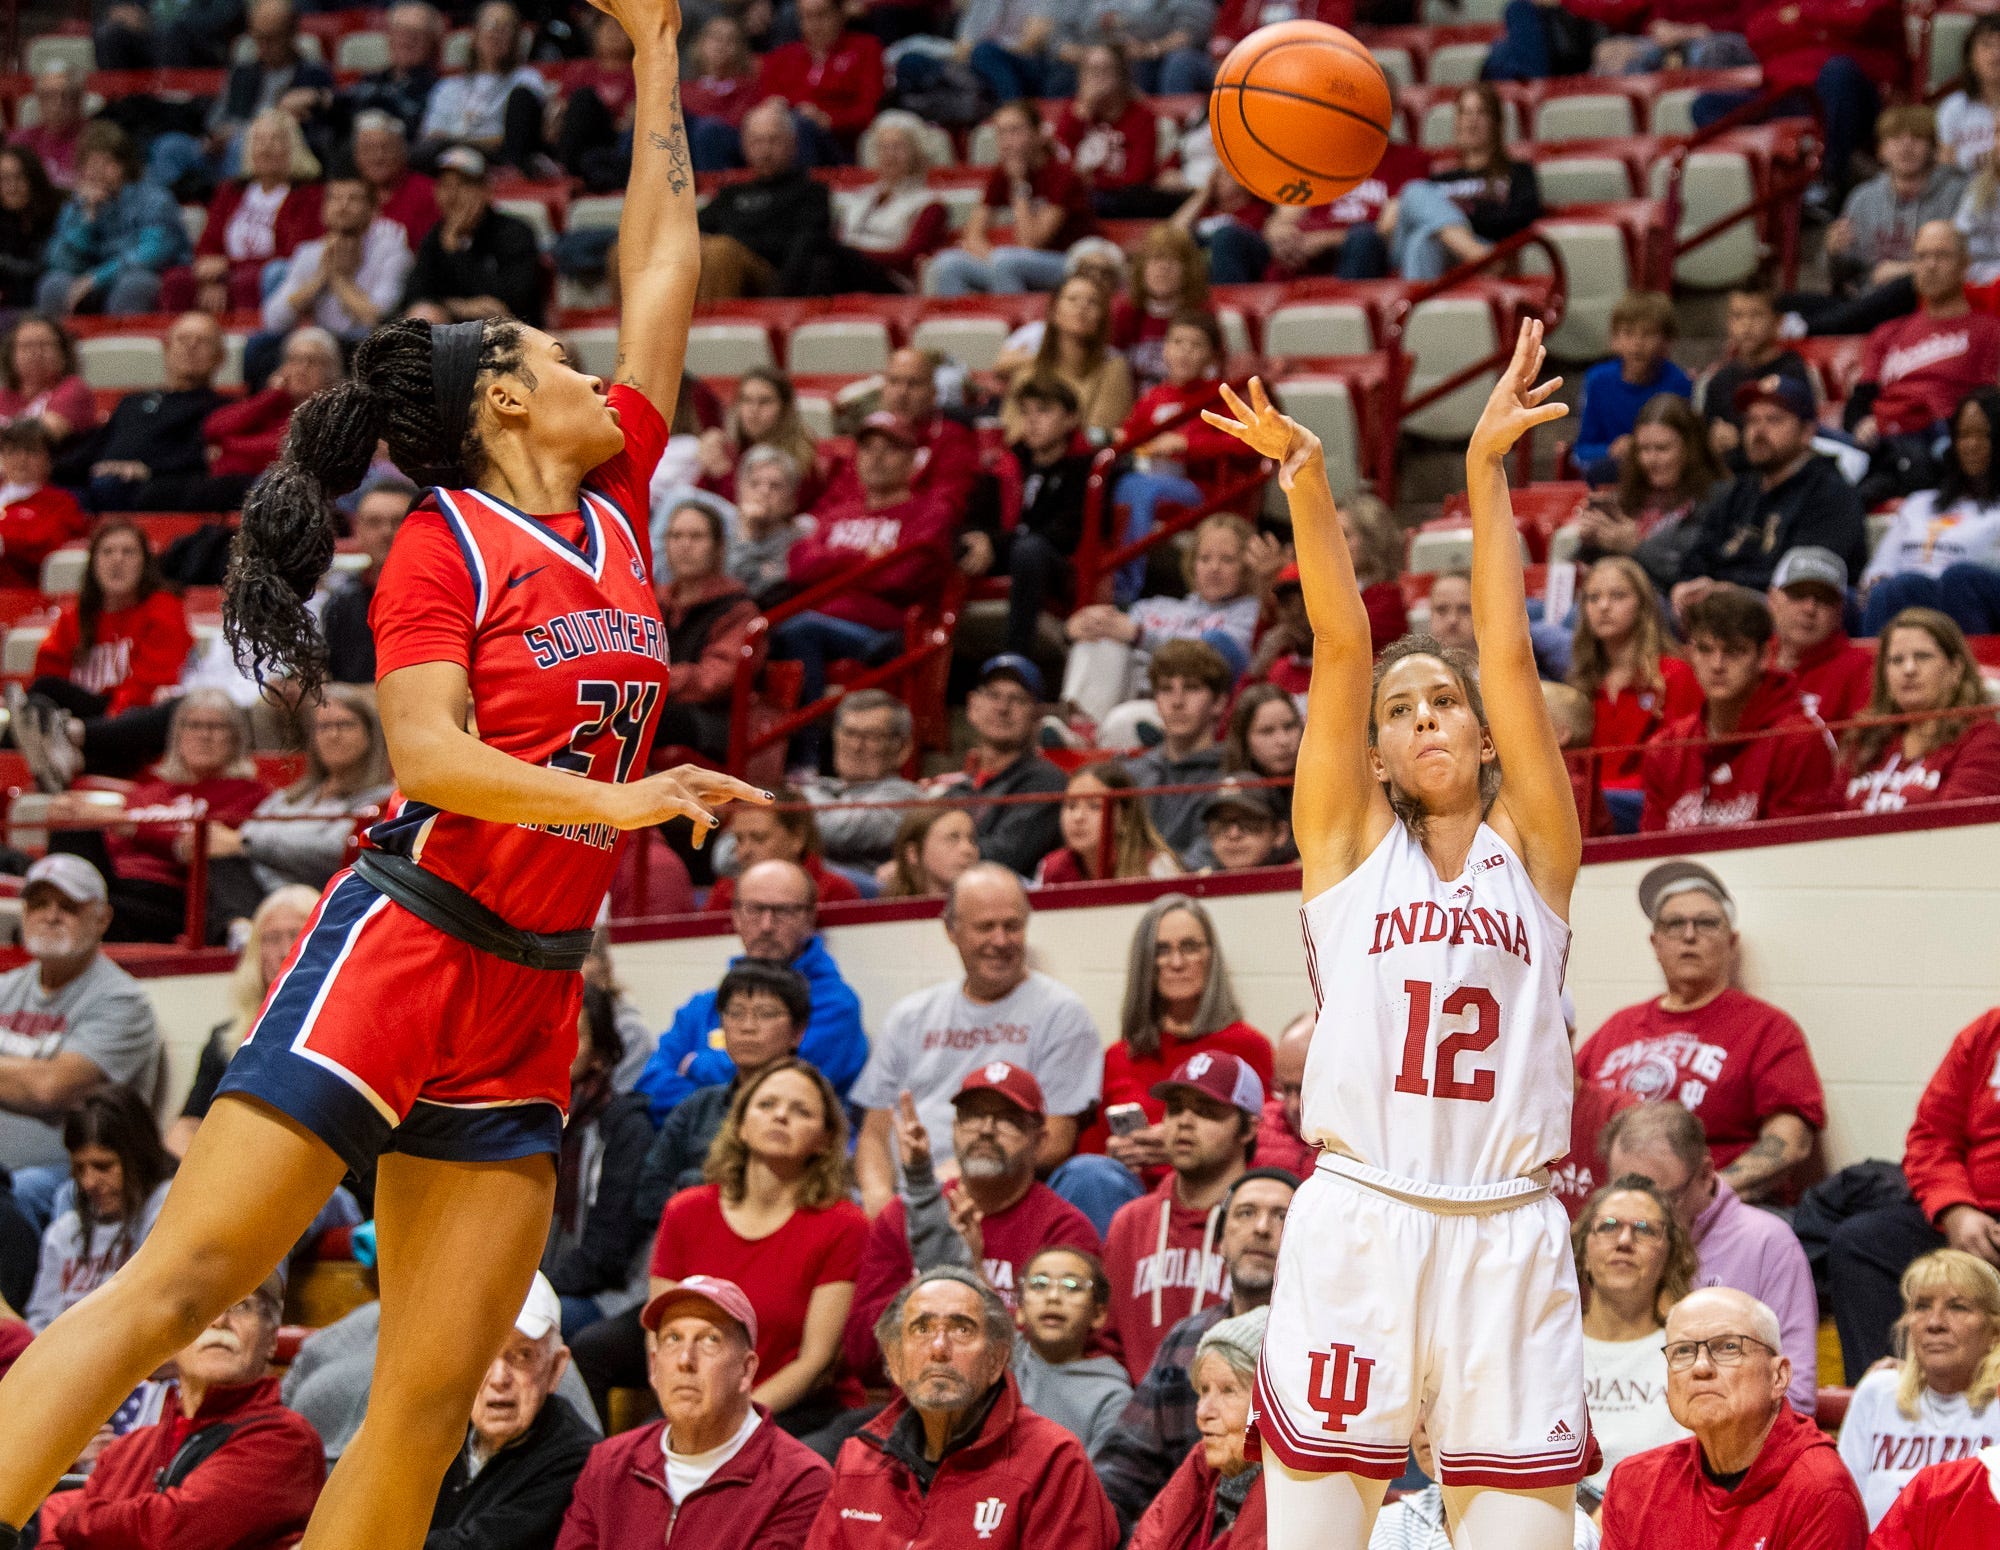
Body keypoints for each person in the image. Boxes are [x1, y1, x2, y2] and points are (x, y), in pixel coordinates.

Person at [0, 4, 770, 1545]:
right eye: (557, 356)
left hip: (533, 986)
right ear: (502, 396)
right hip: (405, 939)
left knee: (428, 1390)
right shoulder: (443, 545)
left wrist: (660, 50)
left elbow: (664, 270)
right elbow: (431, 754)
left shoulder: (613, 482)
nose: (590, 367)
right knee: (184, 1287)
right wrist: (625, 801)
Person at [1200, 330, 1590, 1546]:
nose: (1427, 715)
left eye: (1446, 705)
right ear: (1370, 755)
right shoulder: (1343, 848)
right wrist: (1308, 487)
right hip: (1361, 1215)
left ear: (1481, 738)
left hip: (1508, 1224)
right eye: (1403, 710)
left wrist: (1483, 475)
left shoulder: (1535, 854)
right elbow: (1338, 646)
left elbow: (1513, 654)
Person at [808, 1265, 1120, 1549]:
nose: (939, 1348)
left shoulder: (1054, 1460)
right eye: (922, 1329)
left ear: (996, 1360)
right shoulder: (858, 1457)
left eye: (961, 1329)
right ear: (894, 1360)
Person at [852, 867, 1102, 1220]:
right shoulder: (909, 1015)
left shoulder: (1062, 1015)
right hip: (905, 1201)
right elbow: (875, 1133)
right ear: (951, 930)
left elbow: (1055, 1141)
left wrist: (943, 1185)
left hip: (994, 1200)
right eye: (985, 927)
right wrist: (878, 1199)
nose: (1000, 941)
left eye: (1012, 926)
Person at [1576, 860, 1826, 1206]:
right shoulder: (1616, 1027)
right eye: (1674, 924)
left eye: (1707, 923)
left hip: (1717, 1209)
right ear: (1655, 942)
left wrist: (1706, 1194)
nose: (1689, 935)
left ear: (1731, 941)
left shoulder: (1768, 1029)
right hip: (1613, 1210)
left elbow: (1791, 1141)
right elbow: (1562, 1110)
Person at [642, 1058, 866, 1434]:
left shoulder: (844, 1224)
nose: (780, 1116)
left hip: (801, 1409)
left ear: (825, 1140)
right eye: (766, 1105)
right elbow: (659, 1334)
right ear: (741, 1125)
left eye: (801, 1111)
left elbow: (815, 1361)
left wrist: (734, 1421)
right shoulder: (685, 1211)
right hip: (699, 1403)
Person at [34, 1270, 325, 1550]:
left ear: (271, 1339)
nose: (220, 1320)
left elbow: (170, 1533)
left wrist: (71, 1515)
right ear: (174, 1340)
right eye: (203, 1307)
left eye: (242, 1306)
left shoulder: (287, 1442)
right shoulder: (124, 1454)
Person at [845, 1062, 1101, 1378]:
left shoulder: (1065, 1230)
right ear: (954, 1129)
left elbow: (1051, 1360)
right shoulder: (903, 1214)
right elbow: (859, 1352)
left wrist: (973, 1275)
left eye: (1007, 1119)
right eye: (973, 1115)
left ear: (1041, 1141)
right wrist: (929, 1285)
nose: (985, 1129)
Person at [554, 1276, 831, 1549]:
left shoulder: (800, 1481)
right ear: (653, 1366)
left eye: (710, 1340)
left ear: (746, 1369)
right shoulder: (609, 1464)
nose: (685, 1360)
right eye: (673, 1339)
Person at [1093, 1169, 1296, 1531]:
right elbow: (1129, 1462)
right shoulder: (1187, 1338)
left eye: (1283, 1216)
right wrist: (1090, 1523)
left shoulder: (1324, 1346)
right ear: (1220, 1242)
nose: (1262, 1228)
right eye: (1245, 1213)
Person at [1595, 1288, 1866, 1550]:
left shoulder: (1820, 1493)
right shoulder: (1635, 1483)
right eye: (1683, 1351)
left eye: (1727, 1347)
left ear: (1779, 1376)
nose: (1701, 1367)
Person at [1602, 1102, 1820, 1414]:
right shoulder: (1606, 1244)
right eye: (1626, 1195)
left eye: (1662, 1199)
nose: (1642, 1215)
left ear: (1705, 1174)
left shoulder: (1767, 1243)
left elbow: (1796, 1396)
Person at [1827, 1008, 2000, 1379]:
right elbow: (1931, 1136)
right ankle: (1886, 1401)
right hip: (1972, 1217)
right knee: (1861, 1243)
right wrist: (1955, 1209)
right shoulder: (1988, 1032)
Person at [636, 858, 868, 1119]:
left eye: (783, 911)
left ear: (809, 917)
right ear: (735, 915)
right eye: (754, 909)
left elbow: (781, 1090)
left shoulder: (836, 1006)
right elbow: (650, 1084)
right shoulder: (701, 1006)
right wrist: (710, 1103)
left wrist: (697, 1064)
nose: (767, 925)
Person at [44, 692, 271, 944]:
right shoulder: (150, 788)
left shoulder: (251, 794)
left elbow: (201, 845)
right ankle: (53, 908)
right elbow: (116, 845)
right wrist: (78, 814)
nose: (204, 735)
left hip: (177, 896)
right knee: (71, 824)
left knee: (95, 914)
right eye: (193, 725)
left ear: (236, 738)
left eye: (216, 726)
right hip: (117, 883)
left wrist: (130, 826)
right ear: (177, 735)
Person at [0, 856, 160, 1200]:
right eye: (38, 903)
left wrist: (35, 1078)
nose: (51, 915)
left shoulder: (122, 1001)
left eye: (68, 906)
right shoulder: (6, 988)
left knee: (19, 1193)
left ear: (102, 918)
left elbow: (51, 1088)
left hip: (69, 1179)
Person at [773, 412, 953, 714]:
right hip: (822, 622)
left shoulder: (930, 512)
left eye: (890, 449)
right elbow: (799, 566)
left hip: (885, 632)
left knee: (798, 630)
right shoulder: (838, 513)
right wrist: (861, 558)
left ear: (914, 461)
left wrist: (830, 570)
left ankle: (806, 752)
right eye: (868, 449)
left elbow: (900, 577)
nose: (876, 458)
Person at [1075, 896, 1271, 1171]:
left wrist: (1181, 1148)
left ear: (1211, 957)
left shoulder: (1248, 1046)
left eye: (1189, 947)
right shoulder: (1120, 1056)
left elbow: (1271, 1145)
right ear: (1146, 962)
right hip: (1133, 1197)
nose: (1176, 962)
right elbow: (1090, 1155)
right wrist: (1115, 1157)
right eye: (1162, 950)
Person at [1101, 1051, 1261, 1381]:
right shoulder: (1130, 1223)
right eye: (1175, 1109)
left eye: (1206, 1111)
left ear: (1248, 1128)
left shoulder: (1265, 1226)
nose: (1184, 1122)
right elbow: (1107, 1344)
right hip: (1143, 1417)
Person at [633, 961, 810, 1243]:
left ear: (797, 1031)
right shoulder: (697, 1107)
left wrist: (692, 1187)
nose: (747, 1027)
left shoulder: (810, 1111)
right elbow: (649, 1193)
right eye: (736, 1013)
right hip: (691, 1247)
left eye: (765, 1014)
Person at [1638, 587, 1839, 831]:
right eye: (1705, 649)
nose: (1717, 665)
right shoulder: (1667, 748)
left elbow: (1797, 853)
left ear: (1764, 656)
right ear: (1689, 654)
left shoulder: (1798, 741)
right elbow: (1653, 853)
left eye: (1733, 651)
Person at [425, 1273, 595, 1550]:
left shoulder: (576, 1462)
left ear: (556, 1368)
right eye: (483, 1354)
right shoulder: (438, 1431)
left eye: (522, 1355)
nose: (498, 1378)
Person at [1671, 375, 1868, 610]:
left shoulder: (1832, 493)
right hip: (1718, 607)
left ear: (1807, 432)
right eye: (1752, 420)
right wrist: (1685, 586)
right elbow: (1697, 557)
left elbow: (1806, 579)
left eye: (1774, 420)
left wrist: (1732, 592)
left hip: (1787, 612)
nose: (1758, 431)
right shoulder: (1738, 490)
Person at [205, 688, 392, 934]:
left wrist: (246, 843)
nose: (333, 735)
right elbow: (251, 829)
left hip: (322, 897)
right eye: (323, 727)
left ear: (371, 734)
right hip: (264, 891)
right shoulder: (294, 794)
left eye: (345, 725)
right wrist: (246, 843)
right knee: (220, 857)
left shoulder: (382, 798)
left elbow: (339, 848)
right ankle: (240, 930)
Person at [1836, 1249, 2000, 1527]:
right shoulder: (1877, 1393)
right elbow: (1843, 1513)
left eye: (1957, 1307)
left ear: (1994, 1330)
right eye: (1922, 1306)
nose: (1934, 1323)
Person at [1847, 222, 2000, 504]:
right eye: (1921, 256)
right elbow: (1861, 399)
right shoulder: (1887, 333)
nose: (1930, 265)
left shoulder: (1990, 332)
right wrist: (1860, 424)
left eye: (1941, 256)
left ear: (1964, 265)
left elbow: (1992, 407)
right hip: (1883, 442)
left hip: (1943, 444)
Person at [1064, 515, 1260, 733]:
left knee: (1124, 720)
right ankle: (1081, 729)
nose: (1214, 568)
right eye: (1204, 559)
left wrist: (1141, 637)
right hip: (1125, 697)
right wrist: (1079, 625)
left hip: (1183, 714)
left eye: (1227, 560)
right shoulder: (1157, 607)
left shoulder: (1250, 614)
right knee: (1103, 638)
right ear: (1192, 564)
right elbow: (1110, 628)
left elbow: (1210, 656)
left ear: (1246, 567)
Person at [171, 885, 321, 1158]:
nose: (284, 950)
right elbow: (186, 1125)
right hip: (232, 1173)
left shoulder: (349, 1035)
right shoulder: (226, 1038)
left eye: (297, 935)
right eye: (271, 938)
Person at [1790, 105, 1964, 339]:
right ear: (1881, 150)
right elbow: (1838, 277)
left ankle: (1810, 329)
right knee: (1782, 304)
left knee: (1903, 287)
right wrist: (1834, 252)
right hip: (1865, 301)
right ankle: (1799, 326)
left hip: (1921, 298)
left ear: (1933, 148)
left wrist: (1904, 270)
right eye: (1895, 138)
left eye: (1917, 138)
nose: (1906, 146)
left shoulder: (1957, 193)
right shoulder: (1863, 197)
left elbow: (1967, 260)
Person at [1572, 1176, 1696, 1504]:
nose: (1625, 1240)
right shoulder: (1545, 1349)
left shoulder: (1691, 1356)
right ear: (1583, 1250)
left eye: (1644, 1229)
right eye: (1608, 1226)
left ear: (1671, 1256)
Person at [25, 1085, 173, 1331]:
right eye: (79, 1168)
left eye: (103, 1166)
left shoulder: (167, 1209)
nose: (88, 1183)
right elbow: (39, 1322)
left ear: (139, 1156)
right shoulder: (64, 1233)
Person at [1567, 557, 1699, 831]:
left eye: (1617, 596)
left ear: (1642, 605)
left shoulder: (1674, 674)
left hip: (1652, 800)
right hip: (1594, 803)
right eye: (1593, 598)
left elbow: (1684, 761)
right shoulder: (1581, 685)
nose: (1603, 606)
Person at [1861, 390, 2000, 636]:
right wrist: (1876, 580)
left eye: (1984, 435)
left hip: (1973, 599)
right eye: (1963, 435)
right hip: (1907, 598)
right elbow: (1879, 570)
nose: (1971, 445)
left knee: (1958, 578)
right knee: (1882, 591)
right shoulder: (1919, 503)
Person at [1130, 1307, 1269, 1550]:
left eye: (1228, 1391)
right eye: (1203, 1390)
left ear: (1272, 1404)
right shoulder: (1198, 1473)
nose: (1204, 1412)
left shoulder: (1292, 1511)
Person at [924, 102, 1097, 297]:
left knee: (1006, 262)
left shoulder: (1063, 175)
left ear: (1038, 134)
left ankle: (1016, 323)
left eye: (1015, 131)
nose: (1007, 142)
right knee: (948, 264)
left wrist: (1019, 184)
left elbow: (1031, 243)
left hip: (1069, 262)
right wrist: (988, 255)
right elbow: (972, 234)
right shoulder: (1002, 173)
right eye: (1001, 133)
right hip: (1018, 262)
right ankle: (970, 325)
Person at [164, 110, 324, 318]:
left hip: (269, 275)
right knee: (176, 280)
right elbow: (208, 244)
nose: (265, 148)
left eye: (275, 140)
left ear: (293, 148)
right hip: (227, 273)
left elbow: (295, 253)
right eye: (258, 140)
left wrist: (226, 267)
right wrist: (211, 279)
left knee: (249, 280)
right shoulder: (229, 191)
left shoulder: (309, 195)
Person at [1841, 608, 2000, 812]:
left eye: (1922, 657)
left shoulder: (1982, 739)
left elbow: (1961, 827)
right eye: (1896, 660)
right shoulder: (1865, 739)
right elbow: (1828, 816)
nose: (1909, 669)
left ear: (1955, 669)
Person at [925, 655, 1067, 878]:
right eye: (993, 695)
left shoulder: (1046, 782)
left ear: (1037, 716)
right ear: (972, 705)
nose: (1002, 708)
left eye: (1018, 699)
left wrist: (930, 859)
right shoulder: (959, 790)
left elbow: (1006, 855)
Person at [78, 312, 230, 514]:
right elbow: (97, 445)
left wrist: (146, 469)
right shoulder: (131, 401)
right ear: (166, 349)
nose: (191, 346)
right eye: (183, 339)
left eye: (202, 341)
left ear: (219, 357)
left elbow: (202, 456)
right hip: (103, 481)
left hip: (160, 491)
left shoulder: (223, 408)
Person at [1387, 85, 1540, 283]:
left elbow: (1522, 218)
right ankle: (1480, 257)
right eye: (1464, 113)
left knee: (1422, 236)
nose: (1471, 120)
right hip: (1470, 256)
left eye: (1481, 112)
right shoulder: (1440, 179)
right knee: (1414, 195)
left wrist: (1453, 227)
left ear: (1497, 123)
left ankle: (1424, 312)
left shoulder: (1518, 172)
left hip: (1489, 246)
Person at [35, 122, 190, 317]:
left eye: (107, 163)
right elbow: (59, 261)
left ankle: (125, 346)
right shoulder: (78, 204)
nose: (98, 172)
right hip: (90, 281)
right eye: (91, 164)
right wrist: (86, 221)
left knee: (134, 284)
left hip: (136, 277)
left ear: (125, 165)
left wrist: (96, 278)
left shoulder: (156, 200)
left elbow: (151, 254)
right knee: (53, 284)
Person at [693, 102, 833, 302]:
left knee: (720, 251)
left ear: (792, 143)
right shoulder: (731, 194)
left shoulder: (811, 192)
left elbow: (803, 253)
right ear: (744, 146)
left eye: (773, 141)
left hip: (775, 285)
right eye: (757, 142)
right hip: (720, 268)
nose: (765, 151)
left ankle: (714, 330)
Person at [261, 172, 415, 352]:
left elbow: (378, 317)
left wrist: (339, 279)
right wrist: (320, 278)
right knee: (261, 346)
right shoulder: (309, 252)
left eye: (353, 199)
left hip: (370, 344)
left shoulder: (392, 252)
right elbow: (274, 320)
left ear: (373, 209)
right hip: (324, 343)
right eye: (335, 199)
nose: (343, 206)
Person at [655, 502, 758, 764]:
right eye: (676, 536)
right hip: (661, 706)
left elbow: (717, 679)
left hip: (711, 722)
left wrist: (656, 680)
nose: (684, 545)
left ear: (718, 547)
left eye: (696, 536)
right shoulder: (656, 600)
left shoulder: (738, 608)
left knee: (640, 719)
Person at [399, 146, 545, 328]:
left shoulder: (514, 232)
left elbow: (511, 300)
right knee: (423, 316)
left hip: (510, 332)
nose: (452, 195)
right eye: (445, 185)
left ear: (485, 190)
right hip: (452, 334)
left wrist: (457, 252)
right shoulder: (434, 237)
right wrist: (460, 307)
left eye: (463, 185)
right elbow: (413, 296)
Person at [825, 347, 978, 512]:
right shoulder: (870, 434)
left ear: (933, 392)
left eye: (913, 384)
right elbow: (838, 496)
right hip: (852, 528)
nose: (902, 393)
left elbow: (947, 505)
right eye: (894, 382)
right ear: (883, 389)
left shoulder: (952, 439)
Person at [794, 690, 925, 879]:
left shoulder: (907, 798)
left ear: (903, 748)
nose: (855, 746)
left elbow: (839, 831)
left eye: (871, 736)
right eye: (849, 733)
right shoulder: (816, 789)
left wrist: (780, 826)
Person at [1013, 1246, 1131, 1454]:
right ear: (1020, 1309)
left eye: (1072, 1286)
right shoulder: (996, 1366)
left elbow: (1097, 1482)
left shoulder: (1112, 1398)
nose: (1053, 1296)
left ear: (1098, 1314)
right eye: (1039, 1284)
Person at [811, 117, 947, 294]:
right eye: (883, 147)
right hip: (845, 269)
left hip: (891, 280)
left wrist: (853, 255)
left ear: (915, 152)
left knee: (825, 258)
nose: (889, 155)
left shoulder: (930, 204)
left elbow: (908, 257)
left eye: (898, 147)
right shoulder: (859, 197)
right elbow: (836, 240)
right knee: (817, 257)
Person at [1123, 641, 1233, 859]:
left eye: (1191, 687)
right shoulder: (1132, 774)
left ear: (1219, 702)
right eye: (1166, 689)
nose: (1177, 701)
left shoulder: (1233, 771)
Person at [1573, 293, 1695, 485]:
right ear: (1614, 340)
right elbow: (1582, 451)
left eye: (1647, 334)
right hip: (1614, 474)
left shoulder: (1678, 383)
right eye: (1628, 333)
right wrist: (1611, 449)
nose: (1637, 343)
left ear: (1666, 341)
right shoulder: (1597, 381)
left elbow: (1688, 447)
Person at [1000, 272, 1135, 441]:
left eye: (1092, 302)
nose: (1082, 307)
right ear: (1054, 311)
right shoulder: (1028, 371)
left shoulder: (1113, 368)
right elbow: (1011, 432)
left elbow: (1102, 432)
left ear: (1102, 317)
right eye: (1073, 299)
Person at [415, 0, 548, 171]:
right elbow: (431, 137)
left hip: (499, 160)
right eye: (490, 25)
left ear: (516, 38)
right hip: (446, 160)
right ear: (474, 33)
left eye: (506, 28)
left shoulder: (527, 79)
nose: (496, 33)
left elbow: (517, 139)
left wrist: (459, 141)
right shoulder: (448, 86)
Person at [756, 0, 884, 161]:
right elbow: (766, 103)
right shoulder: (780, 57)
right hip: (783, 140)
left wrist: (828, 119)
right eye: (807, 17)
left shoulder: (866, 49)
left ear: (839, 15)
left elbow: (869, 111)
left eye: (822, 15)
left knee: (802, 124)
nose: (814, 24)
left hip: (840, 143)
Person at [1767, 546, 1875, 727]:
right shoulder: (1748, 658)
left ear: (1840, 610)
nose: (1809, 609)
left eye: (1824, 599)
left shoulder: (1862, 670)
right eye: (1798, 595)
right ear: (1772, 599)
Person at [1700, 288, 1811, 461]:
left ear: (1778, 321)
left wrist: (1741, 440)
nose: (1746, 325)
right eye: (1737, 316)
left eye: (1756, 315)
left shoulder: (1792, 370)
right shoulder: (1718, 381)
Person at [322, 478, 413, 686]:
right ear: (358, 530)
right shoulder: (341, 603)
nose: (386, 532)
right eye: (374, 522)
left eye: (397, 521)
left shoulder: (446, 595)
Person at [705, 792, 863, 911]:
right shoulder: (724, 892)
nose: (744, 851)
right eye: (739, 839)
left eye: (759, 838)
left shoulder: (835, 893)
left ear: (797, 838)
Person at [1034, 762, 1181, 885]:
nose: (1078, 817)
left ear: (1125, 816)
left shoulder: (1156, 868)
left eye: (1094, 806)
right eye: (1071, 806)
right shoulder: (1050, 868)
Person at [695, 368, 823, 508]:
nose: (753, 409)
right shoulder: (730, 452)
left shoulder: (801, 460)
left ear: (785, 408)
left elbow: (768, 515)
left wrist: (723, 475)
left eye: (764, 401)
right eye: (746, 400)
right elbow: (696, 504)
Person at [0, 422, 86, 591]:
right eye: (13, 451)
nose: (22, 459)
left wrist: (6, 542)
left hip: (23, 591)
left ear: (49, 458)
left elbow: (49, 542)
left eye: (31, 452)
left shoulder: (60, 502)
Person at [342, 2, 444, 143]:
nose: (406, 40)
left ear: (434, 43)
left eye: (417, 34)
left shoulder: (441, 90)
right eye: (400, 32)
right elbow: (342, 104)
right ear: (389, 38)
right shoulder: (371, 79)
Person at [0, 313, 96, 454]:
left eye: (45, 345)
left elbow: (41, 436)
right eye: (26, 346)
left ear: (63, 354)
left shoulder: (73, 388)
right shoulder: (4, 396)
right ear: (11, 354)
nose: (36, 353)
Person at [680, 15, 763, 172]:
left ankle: (712, 187)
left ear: (741, 48)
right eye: (715, 38)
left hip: (732, 146)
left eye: (730, 39)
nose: (722, 45)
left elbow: (738, 121)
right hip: (688, 150)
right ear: (701, 44)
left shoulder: (749, 87)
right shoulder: (684, 89)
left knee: (707, 128)